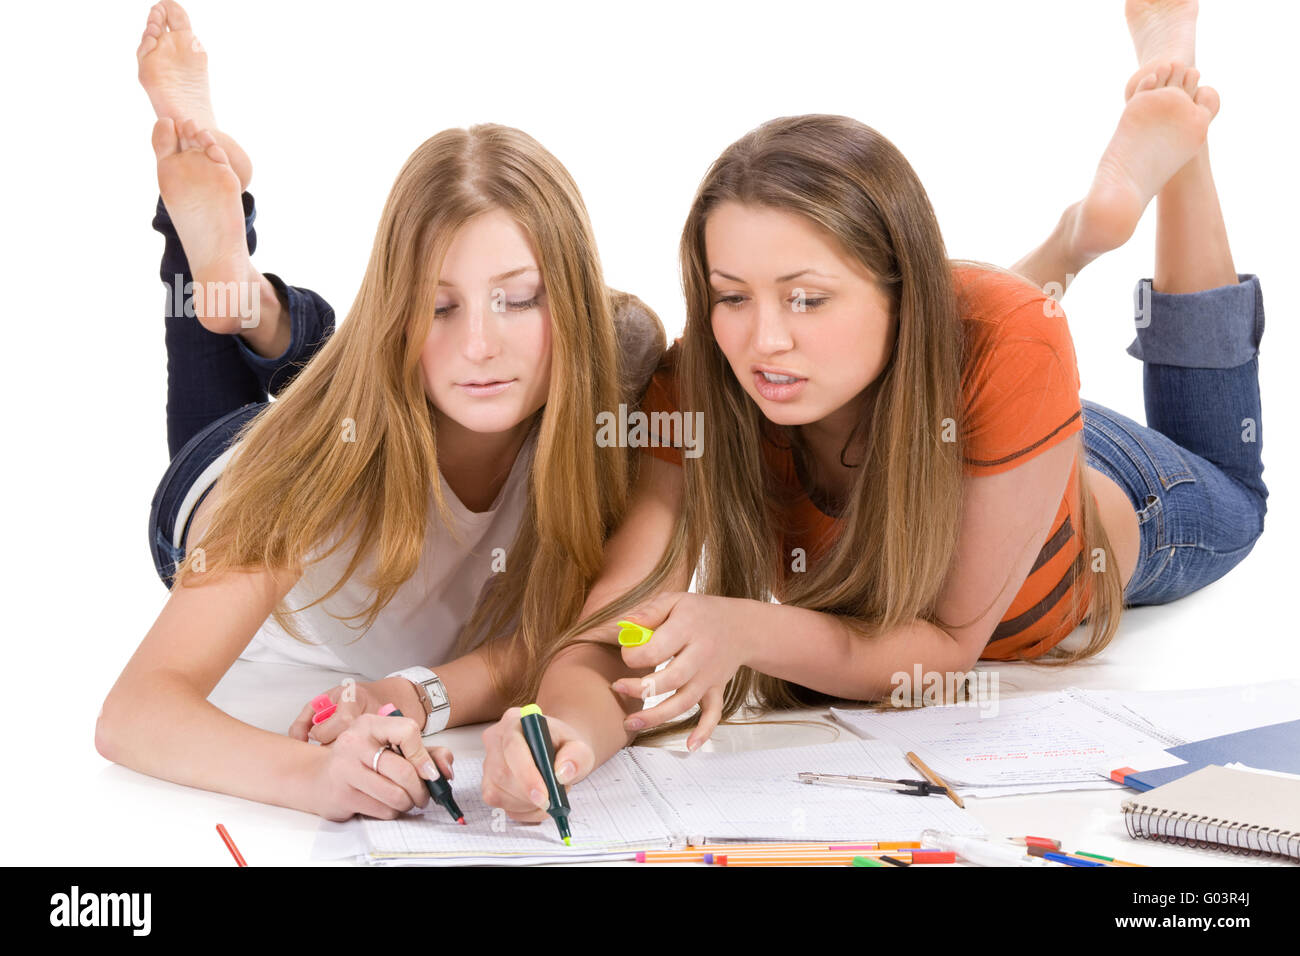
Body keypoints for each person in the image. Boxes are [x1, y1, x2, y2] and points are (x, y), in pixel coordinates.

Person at [473, 0, 1268, 823]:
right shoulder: (706, 385)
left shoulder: (1012, 351)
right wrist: (558, 731)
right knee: (993, 335)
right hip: (977, 402)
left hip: (1121, 492)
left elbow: (946, 648)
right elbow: (613, 622)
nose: (763, 342)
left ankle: (1180, 159)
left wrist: (747, 630)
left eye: (808, 298)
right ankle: (1066, 244)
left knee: (1236, 497)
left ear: (899, 294)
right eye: (731, 297)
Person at [96, 1, 664, 821]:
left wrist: (426, 696)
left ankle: (257, 301)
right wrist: (312, 779)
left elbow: (587, 624)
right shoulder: (313, 464)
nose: (481, 345)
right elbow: (134, 714)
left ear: (571, 296)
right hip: (234, 476)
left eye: (519, 300)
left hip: (363, 382)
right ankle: (211, 266)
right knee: (260, 432)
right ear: (402, 313)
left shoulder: (623, 365)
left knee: (341, 360)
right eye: (440, 307)